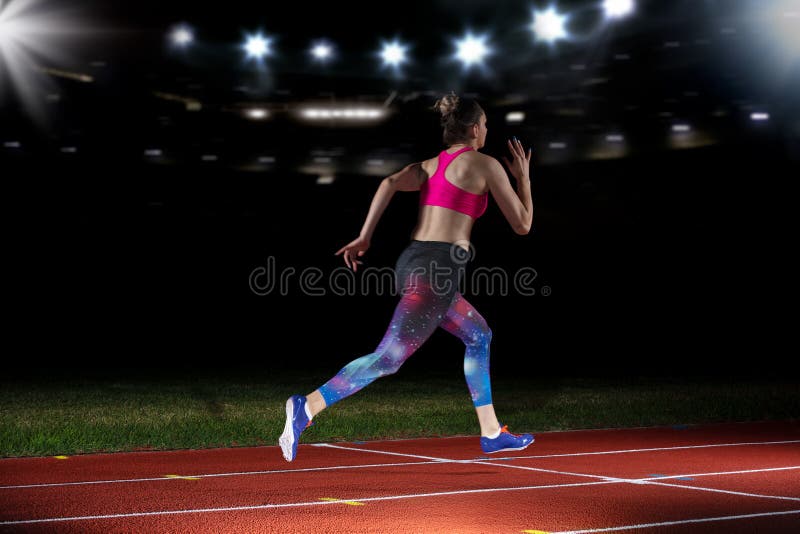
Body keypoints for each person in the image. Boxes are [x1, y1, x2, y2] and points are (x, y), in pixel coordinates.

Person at [279, 92, 534, 462]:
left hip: (416, 263)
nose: (487, 131)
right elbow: (523, 225)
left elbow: (388, 183)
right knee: (389, 358)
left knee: (479, 335)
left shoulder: (430, 166)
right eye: (486, 126)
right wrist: (523, 179)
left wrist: (366, 235)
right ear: (476, 128)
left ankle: (491, 432)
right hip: (437, 272)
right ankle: (308, 406)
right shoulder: (485, 164)